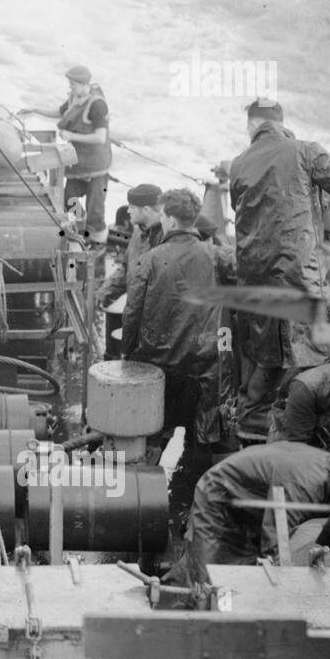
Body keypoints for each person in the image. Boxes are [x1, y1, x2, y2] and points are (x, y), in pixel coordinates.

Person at [229, 98, 330, 435]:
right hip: (301, 269)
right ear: (282, 123)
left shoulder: (238, 163)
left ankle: (252, 417)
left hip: (255, 273)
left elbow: (238, 209)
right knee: (319, 343)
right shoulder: (306, 151)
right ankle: (310, 419)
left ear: (252, 126)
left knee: (268, 347)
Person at [122, 189, 237, 536]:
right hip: (206, 366)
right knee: (201, 438)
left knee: (153, 434)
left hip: (160, 367)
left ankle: (141, 504)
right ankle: (187, 506)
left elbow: (132, 312)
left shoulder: (151, 259)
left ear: (169, 219)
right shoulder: (218, 257)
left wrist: (128, 356)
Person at [178, 441, 330, 580]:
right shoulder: (306, 484)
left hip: (252, 496)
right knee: (206, 576)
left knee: (242, 568)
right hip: (219, 495)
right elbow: (275, 544)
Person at [51, 65, 112, 245]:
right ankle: (82, 229)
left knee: (96, 212)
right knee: (70, 200)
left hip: (97, 168)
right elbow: (59, 112)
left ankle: (98, 244)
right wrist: (34, 110)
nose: (71, 88)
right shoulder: (75, 98)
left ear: (85, 84)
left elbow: (100, 137)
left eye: (73, 84)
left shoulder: (98, 104)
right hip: (78, 165)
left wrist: (71, 136)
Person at [98, 184, 163, 308]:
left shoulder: (167, 239)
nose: (127, 211)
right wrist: (103, 294)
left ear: (146, 210)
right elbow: (127, 267)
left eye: (132, 207)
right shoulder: (139, 231)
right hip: (135, 310)